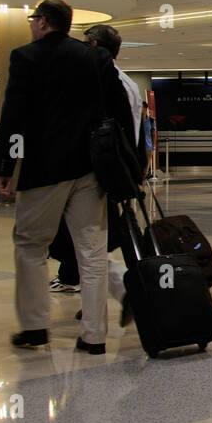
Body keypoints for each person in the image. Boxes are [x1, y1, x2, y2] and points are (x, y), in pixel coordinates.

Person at [0, 0, 133, 355]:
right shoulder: (95, 57)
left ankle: (36, 327)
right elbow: (121, 114)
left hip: (44, 169)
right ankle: (94, 335)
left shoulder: (25, 58)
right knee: (91, 250)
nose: (30, 24)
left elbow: (13, 118)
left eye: (32, 19)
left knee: (30, 245)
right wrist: (127, 163)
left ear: (43, 22)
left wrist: (5, 168)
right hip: (90, 168)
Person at [53, 23, 142, 327]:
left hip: (98, 173)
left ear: (92, 46)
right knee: (92, 237)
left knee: (85, 239)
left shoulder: (103, 80)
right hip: (116, 172)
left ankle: (121, 288)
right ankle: (96, 298)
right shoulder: (128, 83)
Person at [141, 102, 155, 178]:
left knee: (145, 169)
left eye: (142, 107)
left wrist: (154, 146)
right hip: (139, 147)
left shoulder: (151, 120)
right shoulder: (137, 120)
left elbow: (153, 134)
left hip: (148, 147)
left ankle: (145, 178)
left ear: (146, 109)